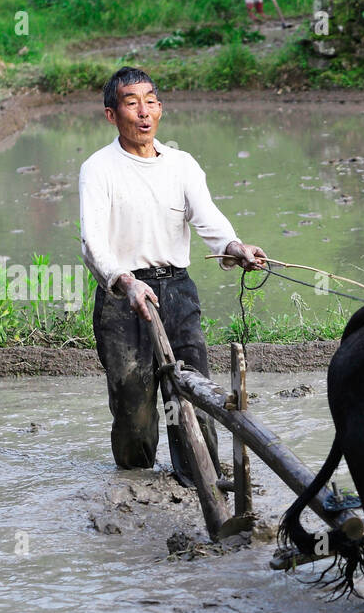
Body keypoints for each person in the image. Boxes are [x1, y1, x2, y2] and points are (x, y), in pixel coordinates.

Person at [79, 66, 266, 487]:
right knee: (133, 403)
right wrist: (126, 283)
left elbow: (209, 220)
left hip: (176, 291)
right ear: (112, 114)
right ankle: (135, 485)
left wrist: (236, 248)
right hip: (123, 297)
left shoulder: (181, 165)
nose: (143, 112)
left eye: (150, 102)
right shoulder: (99, 169)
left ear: (160, 108)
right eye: (131, 103)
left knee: (194, 389)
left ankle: (201, 479)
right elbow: (93, 245)